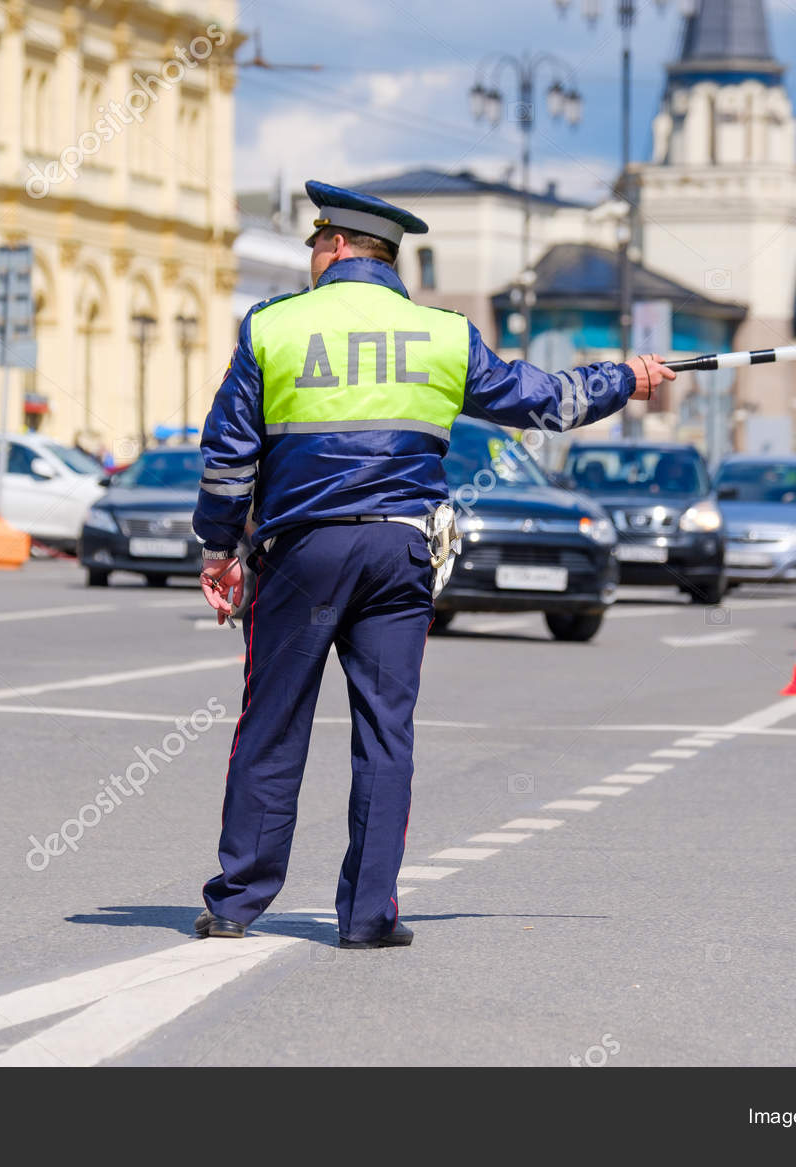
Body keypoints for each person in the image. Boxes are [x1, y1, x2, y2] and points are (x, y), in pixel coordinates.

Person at [192, 180, 674, 949]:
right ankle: (368, 915)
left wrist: (219, 548)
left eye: (316, 243)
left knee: (274, 721)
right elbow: (543, 400)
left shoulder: (272, 327)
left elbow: (227, 456)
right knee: (387, 732)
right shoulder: (443, 334)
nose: (312, 256)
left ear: (339, 246)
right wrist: (626, 378)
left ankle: (237, 901)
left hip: (304, 551)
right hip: (401, 552)